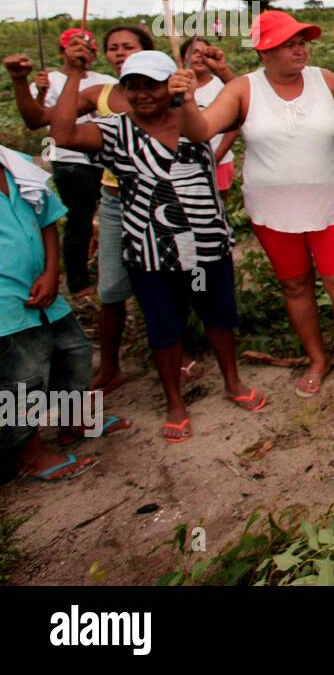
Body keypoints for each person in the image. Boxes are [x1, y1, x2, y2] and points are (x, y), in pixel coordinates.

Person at [52, 48, 264, 442]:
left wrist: (201, 82)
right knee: (164, 327)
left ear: (172, 85)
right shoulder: (114, 130)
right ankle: (174, 402)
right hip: (151, 249)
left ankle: (232, 382)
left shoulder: (194, 118)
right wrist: (72, 75)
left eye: (151, 84)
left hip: (206, 245)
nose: (141, 94)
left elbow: (238, 112)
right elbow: (62, 135)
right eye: (132, 86)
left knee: (218, 316)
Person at [178, 10, 334, 399]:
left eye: (301, 42)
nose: (298, 49)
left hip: (329, 204)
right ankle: (318, 359)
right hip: (272, 209)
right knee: (295, 285)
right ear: (263, 52)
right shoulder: (243, 89)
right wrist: (187, 101)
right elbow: (200, 131)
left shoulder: (326, 81)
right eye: (287, 44)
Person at [5, 26, 167, 395]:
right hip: (116, 198)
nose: (119, 53)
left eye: (129, 46)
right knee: (111, 289)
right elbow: (40, 123)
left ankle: (174, 355)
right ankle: (110, 366)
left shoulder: (165, 91)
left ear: (147, 53)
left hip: (163, 200)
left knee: (165, 282)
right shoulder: (102, 91)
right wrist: (34, 80)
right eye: (112, 48)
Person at [0, 143, 130, 482]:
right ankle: (27, 451)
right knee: (19, 379)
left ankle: (73, 420)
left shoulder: (17, 168)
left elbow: (46, 222)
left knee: (72, 351)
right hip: (5, 304)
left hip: (41, 289)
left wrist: (51, 272)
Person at [6, 29, 115, 303]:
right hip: (68, 160)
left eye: (88, 47)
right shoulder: (50, 79)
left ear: (95, 54)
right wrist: (37, 91)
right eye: (75, 46)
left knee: (103, 218)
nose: (83, 52)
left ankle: (109, 274)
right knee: (78, 220)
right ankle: (78, 282)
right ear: (61, 52)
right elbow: (36, 118)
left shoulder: (107, 81)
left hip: (106, 161)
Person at [179, 37, 238, 193]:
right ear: (183, 58)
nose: (199, 56)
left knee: (219, 203)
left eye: (204, 53)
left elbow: (233, 128)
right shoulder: (178, 87)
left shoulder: (222, 86)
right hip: (186, 163)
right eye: (193, 52)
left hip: (219, 159)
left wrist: (216, 157)